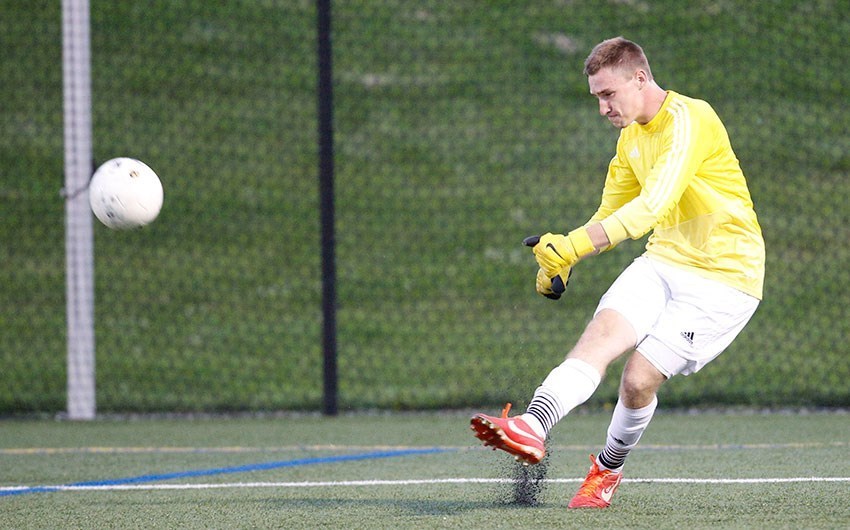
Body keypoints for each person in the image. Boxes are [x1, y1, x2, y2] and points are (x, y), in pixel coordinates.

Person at [470, 36, 765, 508]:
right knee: (600, 337)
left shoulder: (690, 119)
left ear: (640, 78)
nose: (603, 107)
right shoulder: (630, 139)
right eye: (597, 97)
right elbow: (610, 212)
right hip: (664, 260)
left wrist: (574, 245)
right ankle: (532, 425)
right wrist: (565, 255)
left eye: (609, 94)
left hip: (725, 278)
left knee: (637, 380)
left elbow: (650, 208)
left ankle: (607, 469)